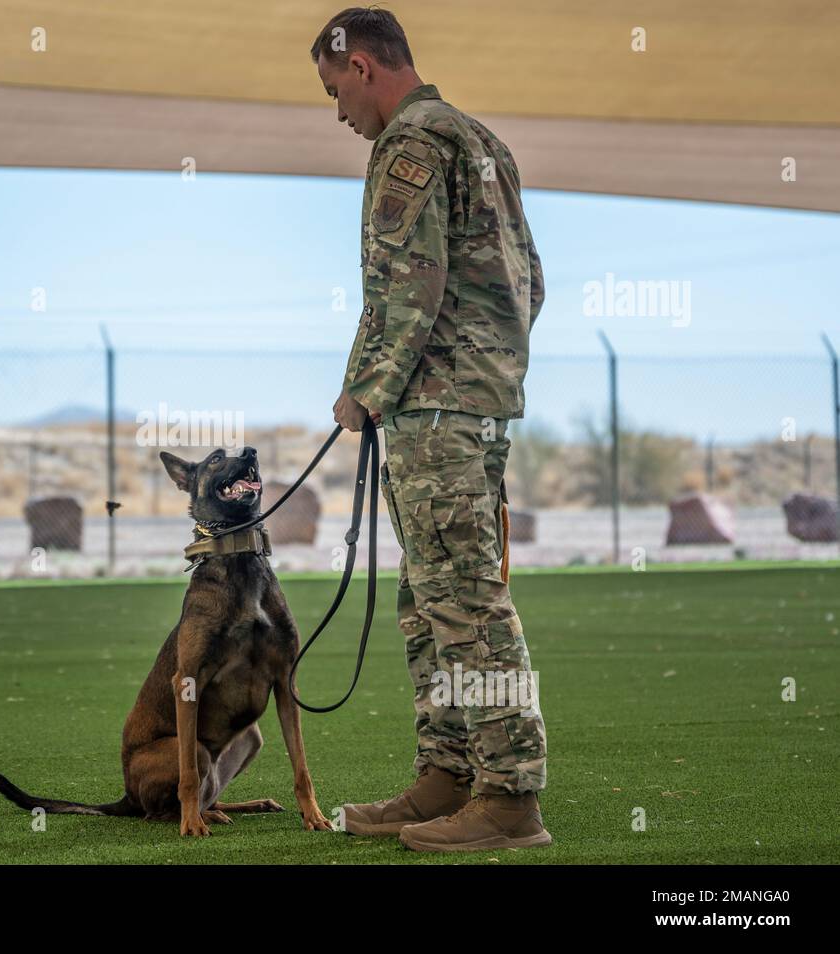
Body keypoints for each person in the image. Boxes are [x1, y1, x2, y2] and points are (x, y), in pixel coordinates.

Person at [312, 6, 550, 851]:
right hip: (469, 401)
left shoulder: (410, 143)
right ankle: (449, 776)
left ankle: (510, 797)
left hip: (437, 406)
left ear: (365, 66)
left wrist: (366, 391)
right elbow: (532, 280)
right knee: (431, 597)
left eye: (335, 88)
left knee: (465, 601)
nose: (338, 111)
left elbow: (408, 282)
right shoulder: (482, 141)